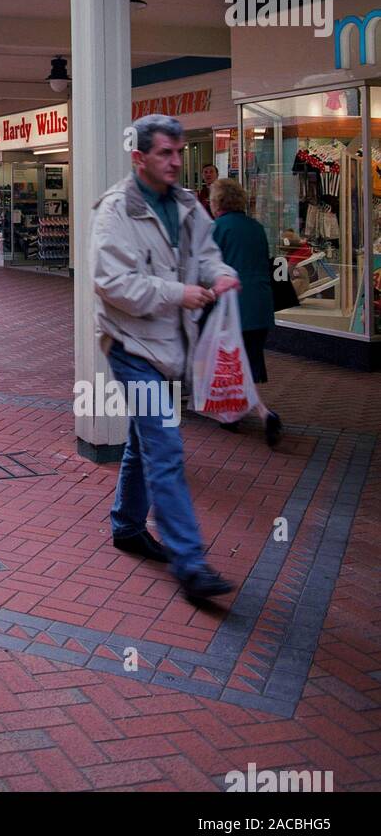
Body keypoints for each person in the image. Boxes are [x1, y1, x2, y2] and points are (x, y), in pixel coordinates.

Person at [91, 114, 240, 605]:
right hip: (131, 345)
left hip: (172, 347)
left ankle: (127, 527)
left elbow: (207, 254)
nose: (177, 161)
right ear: (139, 158)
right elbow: (112, 285)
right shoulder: (116, 210)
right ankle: (191, 564)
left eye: (179, 152)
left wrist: (220, 275)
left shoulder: (186, 205)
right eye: (166, 154)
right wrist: (182, 293)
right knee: (167, 447)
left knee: (144, 439)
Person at [209, 177, 283, 447]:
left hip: (233, 305)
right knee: (246, 360)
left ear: (218, 202)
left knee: (231, 361)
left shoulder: (218, 228)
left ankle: (258, 413)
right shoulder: (256, 227)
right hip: (261, 305)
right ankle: (235, 412)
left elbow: (207, 266)